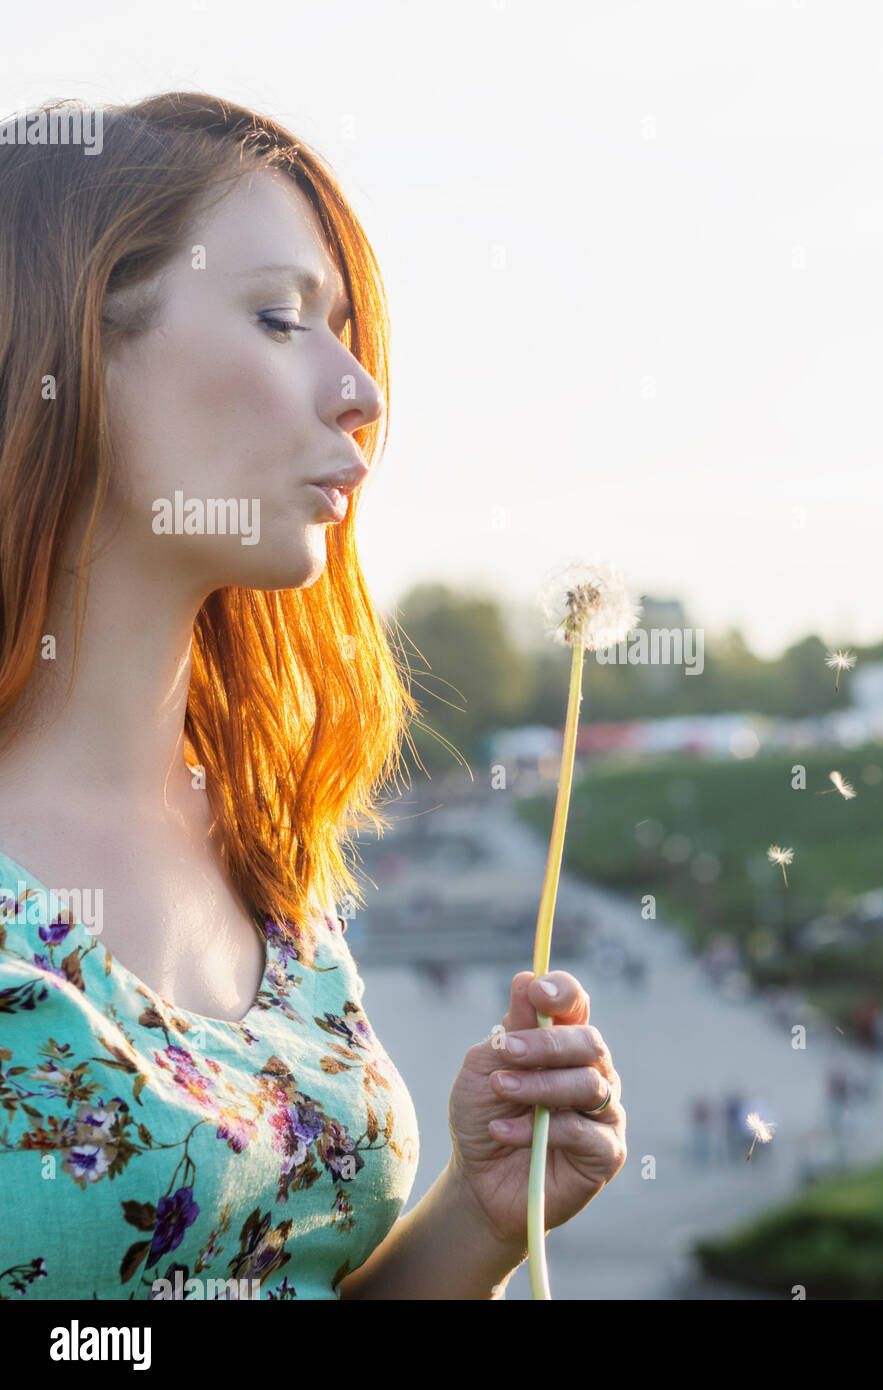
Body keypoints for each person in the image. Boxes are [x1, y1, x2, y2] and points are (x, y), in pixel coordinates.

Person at [0, 93, 626, 1300]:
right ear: (70, 348)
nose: (363, 394)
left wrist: (477, 1221)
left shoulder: (264, 854)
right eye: (280, 317)